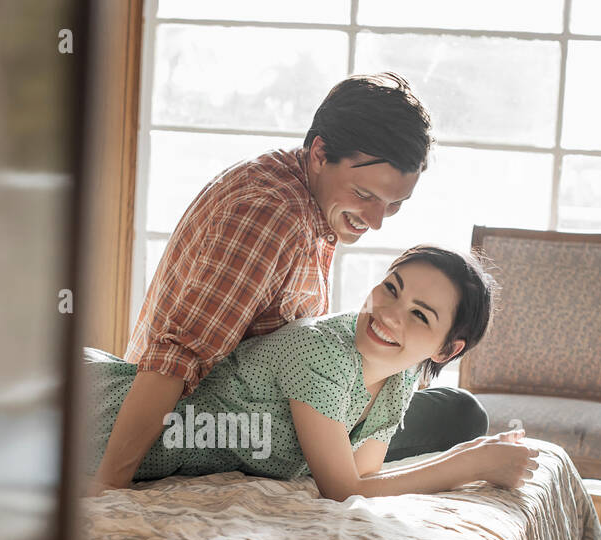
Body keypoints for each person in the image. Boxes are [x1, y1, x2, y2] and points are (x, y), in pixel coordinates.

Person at [87, 72, 489, 495]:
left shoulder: (313, 199)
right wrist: (110, 483)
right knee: (458, 419)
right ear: (319, 153)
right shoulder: (271, 216)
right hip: (227, 420)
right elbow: (178, 356)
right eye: (365, 195)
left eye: (394, 205)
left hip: (287, 410)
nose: (374, 222)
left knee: (457, 411)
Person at [83, 245, 538, 500]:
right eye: (391, 289)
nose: (389, 314)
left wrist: (476, 453)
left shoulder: (400, 377)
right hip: (97, 418)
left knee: (463, 414)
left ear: (446, 349)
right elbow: (343, 488)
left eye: (420, 315)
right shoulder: (319, 352)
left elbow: (365, 480)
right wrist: (471, 463)